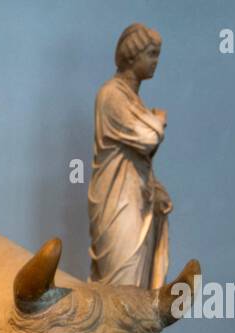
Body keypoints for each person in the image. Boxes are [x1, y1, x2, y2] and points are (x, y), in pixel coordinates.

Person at [88, 22, 170, 289]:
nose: (156, 61)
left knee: (137, 288)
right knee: (121, 285)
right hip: (117, 200)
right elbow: (148, 137)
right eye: (152, 54)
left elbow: (141, 150)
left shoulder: (133, 99)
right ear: (133, 56)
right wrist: (157, 120)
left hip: (135, 197)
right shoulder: (111, 95)